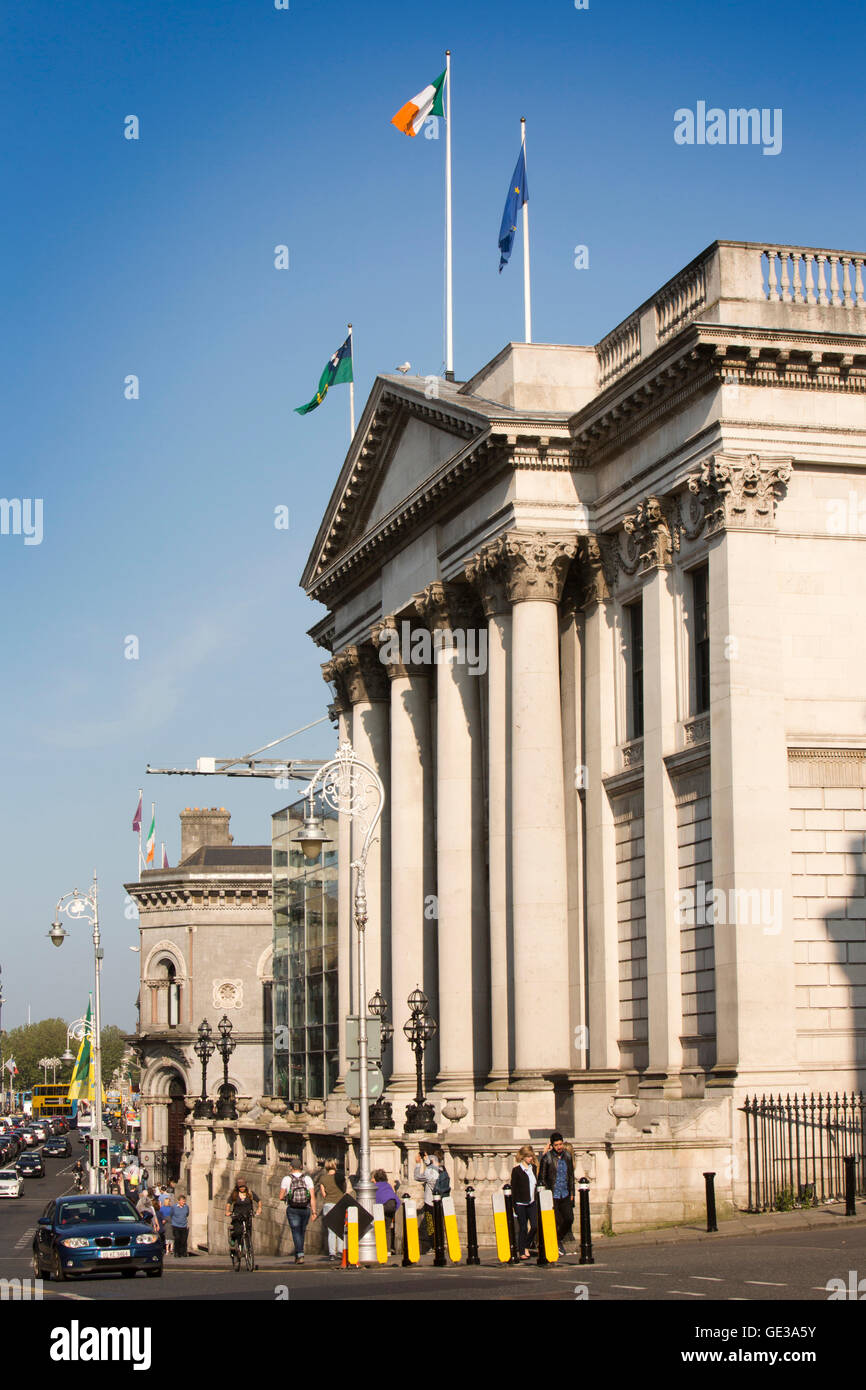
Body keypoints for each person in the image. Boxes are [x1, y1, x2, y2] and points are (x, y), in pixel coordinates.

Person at [539, 1131, 575, 1256]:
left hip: (564, 1193)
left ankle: (558, 1239)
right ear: (552, 1145)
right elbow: (542, 1178)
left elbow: (571, 1175)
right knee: (556, 1221)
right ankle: (556, 1245)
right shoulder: (547, 1158)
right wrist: (546, 1194)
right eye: (556, 1145)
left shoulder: (567, 1156)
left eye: (560, 1144)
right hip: (553, 1194)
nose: (559, 1147)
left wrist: (572, 1193)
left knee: (569, 1218)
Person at [279, 1157, 317, 1263]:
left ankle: (300, 1254)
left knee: (296, 1232)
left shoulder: (287, 1179)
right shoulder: (307, 1179)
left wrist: (287, 1197)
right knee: (301, 1231)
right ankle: (298, 1254)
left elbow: (281, 1196)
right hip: (305, 1208)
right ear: (301, 1167)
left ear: (291, 1167)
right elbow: (312, 1197)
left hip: (293, 1209)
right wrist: (314, 1212)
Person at [413, 1148, 447, 1253]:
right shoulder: (443, 1171)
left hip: (430, 1202)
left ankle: (434, 1245)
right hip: (440, 1202)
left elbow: (417, 1176)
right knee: (439, 1224)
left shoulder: (433, 1172)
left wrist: (419, 1164)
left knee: (431, 1225)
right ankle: (440, 1244)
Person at [510, 1145, 538, 1260]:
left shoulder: (534, 1168)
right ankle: (522, 1251)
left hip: (531, 1202)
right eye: (528, 1156)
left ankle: (526, 1244)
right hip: (520, 1203)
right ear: (522, 1157)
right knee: (523, 1228)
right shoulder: (517, 1170)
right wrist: (514, 1205)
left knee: (535, 1226)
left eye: (531, 1156)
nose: (530, 1158)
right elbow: (514, 1188)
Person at [317, 1159, 344, 1263]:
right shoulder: (340, 1177)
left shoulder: (323, 1179)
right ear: (335, 1165)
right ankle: (340, 1252)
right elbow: (344, 1189)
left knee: (331, 1231)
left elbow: (324, 1194)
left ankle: (332, 1253)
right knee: (340, 1229)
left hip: (328, 1204)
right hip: (339, 1203)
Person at [225, 1181, 261, 1259]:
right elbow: (229, 1203)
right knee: (238, 1231)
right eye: (240, 1187)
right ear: (238, 1188)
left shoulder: (249, 1193)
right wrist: (227, 1211)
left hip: (247, 1215)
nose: (242, 1188)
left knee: (248, 1233)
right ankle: (233, 1238)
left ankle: (248, 1250)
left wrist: (259, 1208)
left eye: (243, 1187)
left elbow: (258, 1200)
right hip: (237, 1216)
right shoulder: (234, 1194)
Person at [372, 1169, 401, 1255]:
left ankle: (380, 1249)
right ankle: (388, 1250)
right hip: (391, 1206)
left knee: (379, 1228)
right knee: (387, 1229)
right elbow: (395, 1198)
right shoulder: (387, 1185)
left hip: (382, 1207)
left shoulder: (375, 1186)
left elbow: (376, 1199)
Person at [169, 1192, 189, 1256]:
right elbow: (171, 1214)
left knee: (183, 1240)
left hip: (183, 1226)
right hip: (176, 1225)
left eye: (184, 1201)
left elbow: (187, 1214)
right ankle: (177, 1252)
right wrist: (174, 1221)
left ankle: (183, 1252)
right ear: (179, 1201)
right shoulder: (174, 1207)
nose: (184, 1202)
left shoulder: (186, 1207)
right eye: (182, 1201)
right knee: (177, 1238)